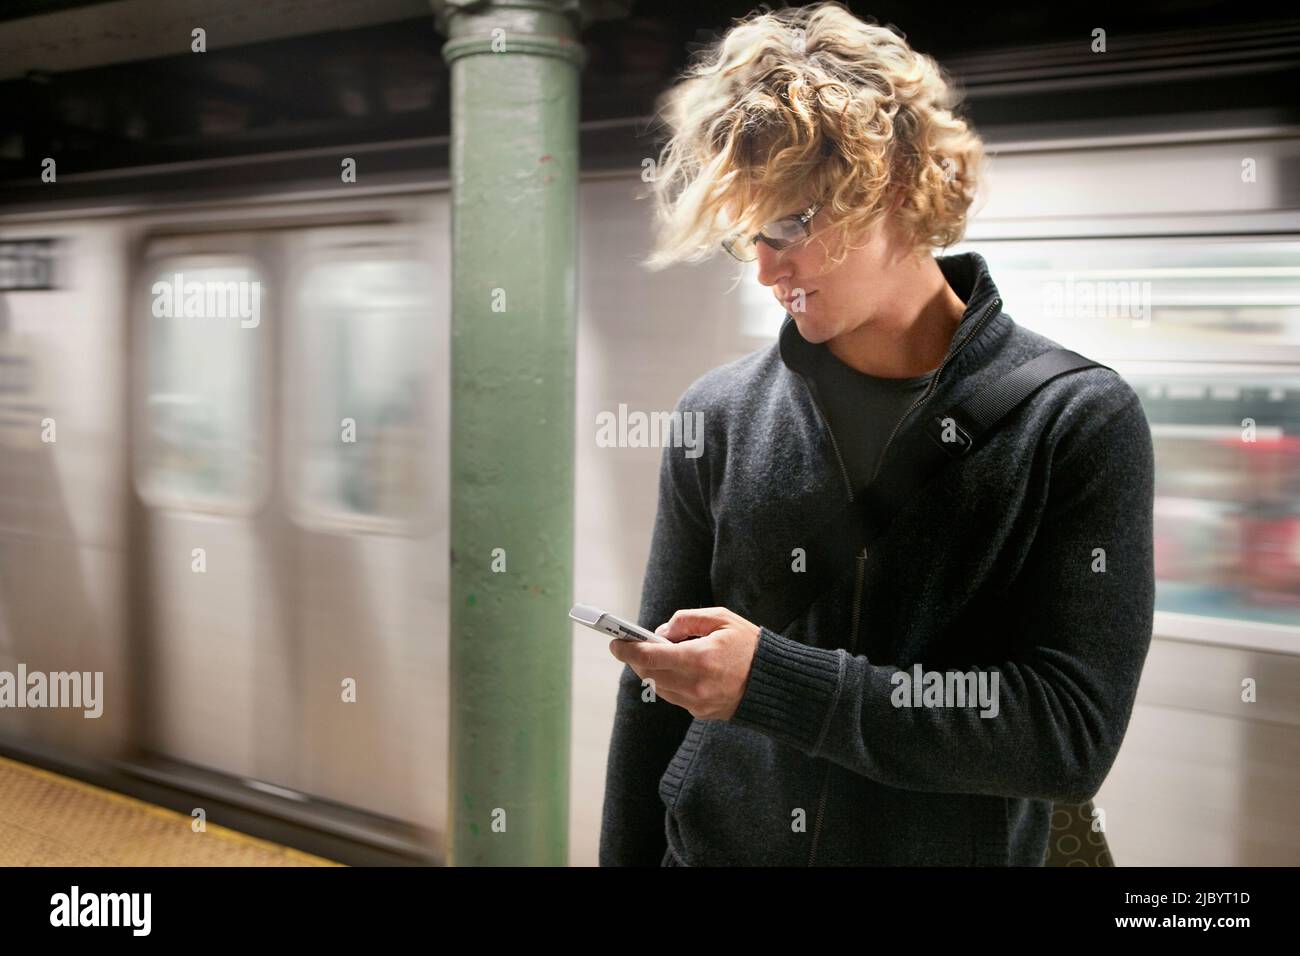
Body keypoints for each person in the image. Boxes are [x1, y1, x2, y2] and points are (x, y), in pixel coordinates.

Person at [599, 2, 1155, 866]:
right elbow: (651, 700)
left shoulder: (1074, 420)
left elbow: (1069, 735)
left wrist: (775, 684)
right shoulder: (717, 414)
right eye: (748, 234)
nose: (765, 268)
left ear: (892, 187)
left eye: (790, 224)